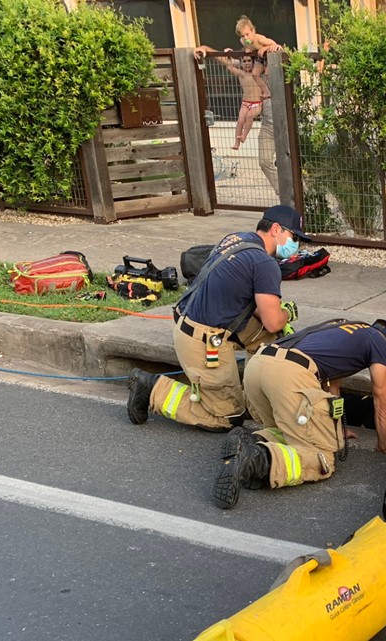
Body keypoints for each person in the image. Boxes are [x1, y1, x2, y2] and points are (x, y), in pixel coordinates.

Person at [126, 205, 309, 432]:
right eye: (293, 237)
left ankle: (257, 398)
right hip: (202, 339)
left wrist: (276, 316)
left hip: (198, 321)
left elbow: (253, 307)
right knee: (228, 417)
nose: (296, 246)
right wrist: (286, 313)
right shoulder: (265, 263)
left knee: (272, 338)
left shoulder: (237, 239)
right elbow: (273, 320)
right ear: (275, 229)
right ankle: (153, 389)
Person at [212, 319, 386, 509]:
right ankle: (255, 459)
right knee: (322, 458)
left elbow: (331, 387)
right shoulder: (378, 341)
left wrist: (333, 429)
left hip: (258, 365)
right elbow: (381, 395)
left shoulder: (342, 328)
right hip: (288, 375)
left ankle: (249, 443)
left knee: (287, 431)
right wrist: (384, 444)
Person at [195, 15, 283, 194]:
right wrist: (204, 48)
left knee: (291, 162)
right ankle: (283, 191)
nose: (246, 38)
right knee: (264, 161)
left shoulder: (268, 53)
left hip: (284, 120)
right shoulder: (247, 56)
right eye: (242, 36)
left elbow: (278, 49)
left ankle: (297, 196)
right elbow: (227, 60)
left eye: (247, 34)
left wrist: (274, 47)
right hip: (268, 122)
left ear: (254, 31)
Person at [214, 53, 266, 150]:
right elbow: (229, 67)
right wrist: (229, 55)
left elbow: (264, 66)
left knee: (249, 115)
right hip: (245, 102)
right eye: (244, 61)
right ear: (241, 63)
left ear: (254, 62)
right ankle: (237, 143)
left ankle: (244, 136)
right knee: (240, 121)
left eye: (249, 61)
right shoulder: (241, 74)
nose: (247, 63)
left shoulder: (257, 74)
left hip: (257, 103)